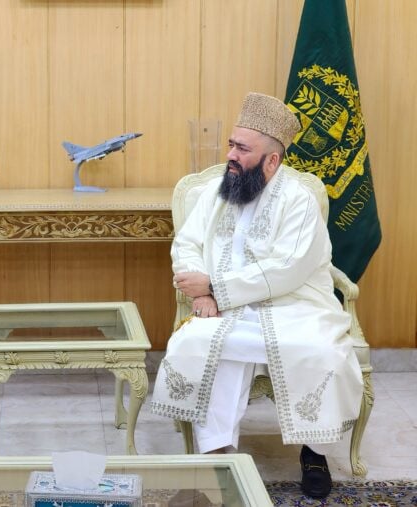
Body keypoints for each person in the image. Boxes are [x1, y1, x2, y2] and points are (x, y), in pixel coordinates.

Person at [151, 93, 364, 499]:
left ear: (272, 160)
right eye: (231, 144)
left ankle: (315, 453)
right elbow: (187, 243)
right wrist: (201, 294)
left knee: (321, 352)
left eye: (242, 148)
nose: (230, 155)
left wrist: (214, 288)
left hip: (295, 309)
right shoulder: (219, 189)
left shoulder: (299, 200)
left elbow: (289, 269)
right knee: (202, 340)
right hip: (227, 308)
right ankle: (217, 455)